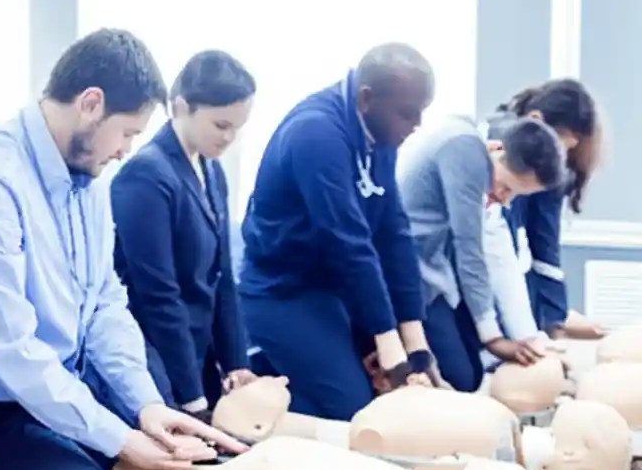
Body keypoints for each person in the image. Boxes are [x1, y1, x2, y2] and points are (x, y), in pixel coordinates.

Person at [0, 28, 245, 470]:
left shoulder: (88, 179)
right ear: (90, 104)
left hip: (59, 399)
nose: (129, 149)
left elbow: (106, 304)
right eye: (128, 132)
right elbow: (12, 351)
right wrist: (120, 438)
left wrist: (146, 406)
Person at [238, 43, 439, 421]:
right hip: (282, 291)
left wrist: (415, 343)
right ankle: (252, 409)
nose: (417, 125)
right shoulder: (316, 134)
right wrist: (387, 341)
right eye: (408, 113)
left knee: (392, 391)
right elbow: (347, 243)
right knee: (351, 409)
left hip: (331, 285)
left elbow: (393, 233)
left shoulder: (382, 133)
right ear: (367, 99)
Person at [110, 50, 257, 419]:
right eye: (221, 125)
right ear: (181, 107)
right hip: (158, 358)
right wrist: (192, 398)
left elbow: (223, 277)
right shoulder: (145, 176)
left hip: (200, 352)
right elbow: (158, 295)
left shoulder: (212, 170)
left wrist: (237, 364)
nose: (229, 138)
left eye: (237, 128)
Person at [398, 113, 566, 391]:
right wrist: (493, 339)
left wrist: (528, 337)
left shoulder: (479, 157)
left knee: (472, 371)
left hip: (431, 273)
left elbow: (500, 262)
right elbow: (469, 249)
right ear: (496, 149)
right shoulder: (463, 151)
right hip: (405, 273)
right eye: (506, 187)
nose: (504, 198)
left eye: (515, 195)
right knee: (459, 377)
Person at [483, 79, 603, 342]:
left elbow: (544, 244)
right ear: (536, 120)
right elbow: (500, 250)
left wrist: (553, 321)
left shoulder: (547, 170)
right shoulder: (506, 152)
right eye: (563, 145)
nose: (561, 158)